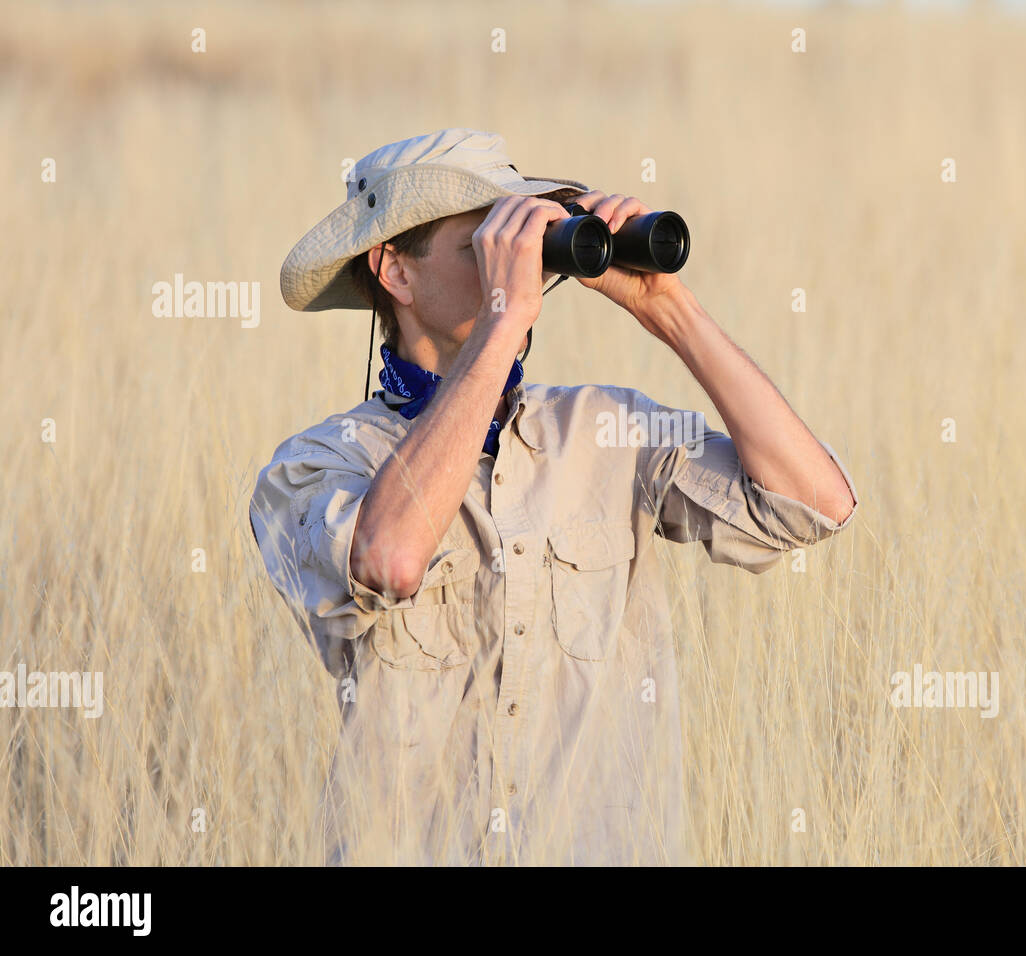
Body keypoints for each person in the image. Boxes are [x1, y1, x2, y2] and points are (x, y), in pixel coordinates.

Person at [249, 128, 858, 865]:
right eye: (483, 244)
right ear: (395, 272)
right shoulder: (321, 465)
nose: (516, 264)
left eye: (525, 237)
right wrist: (501, 323)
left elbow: (813, 504)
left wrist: (668, 308)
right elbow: (390, 560)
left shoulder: (606, 429)